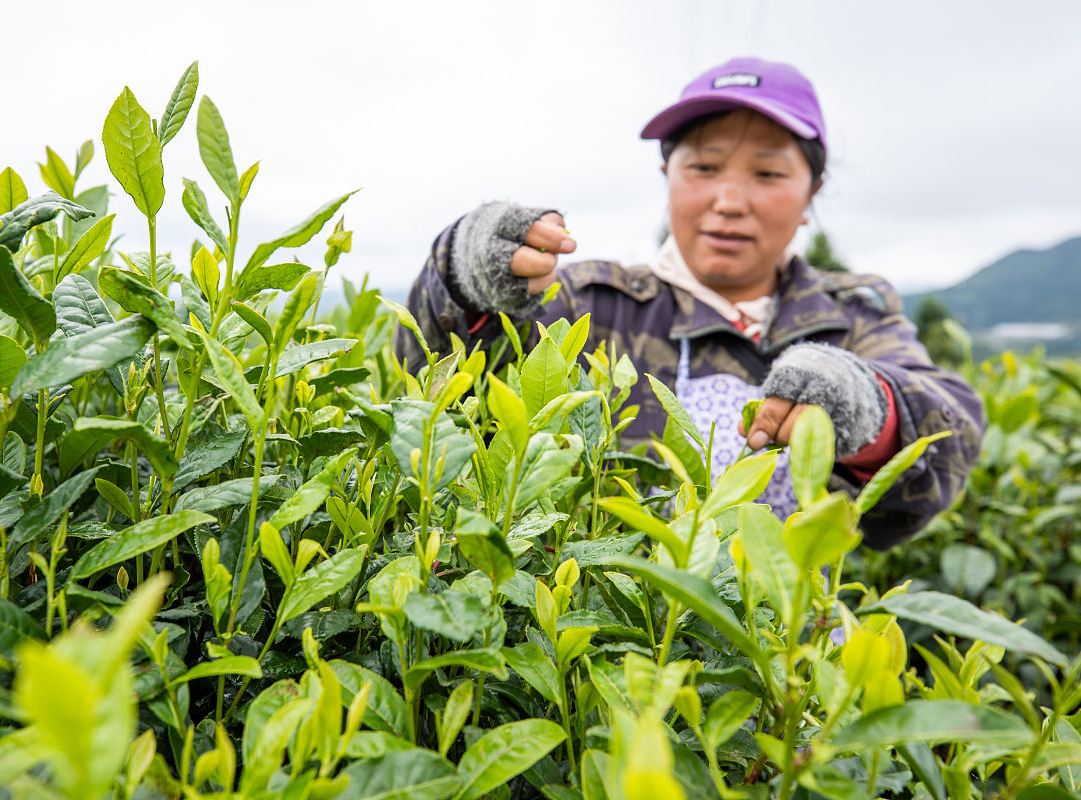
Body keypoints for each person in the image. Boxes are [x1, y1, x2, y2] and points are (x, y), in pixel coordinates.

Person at [395, 57, 985, 550]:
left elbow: (951, 442)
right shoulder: (588, 306)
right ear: (667, 175)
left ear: (812, 194)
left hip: (782, 663)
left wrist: (867, 405)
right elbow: (433, 400)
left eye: (768, 173)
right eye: (703, 167)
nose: (729, 200)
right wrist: (463, 272)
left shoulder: (851, 318)